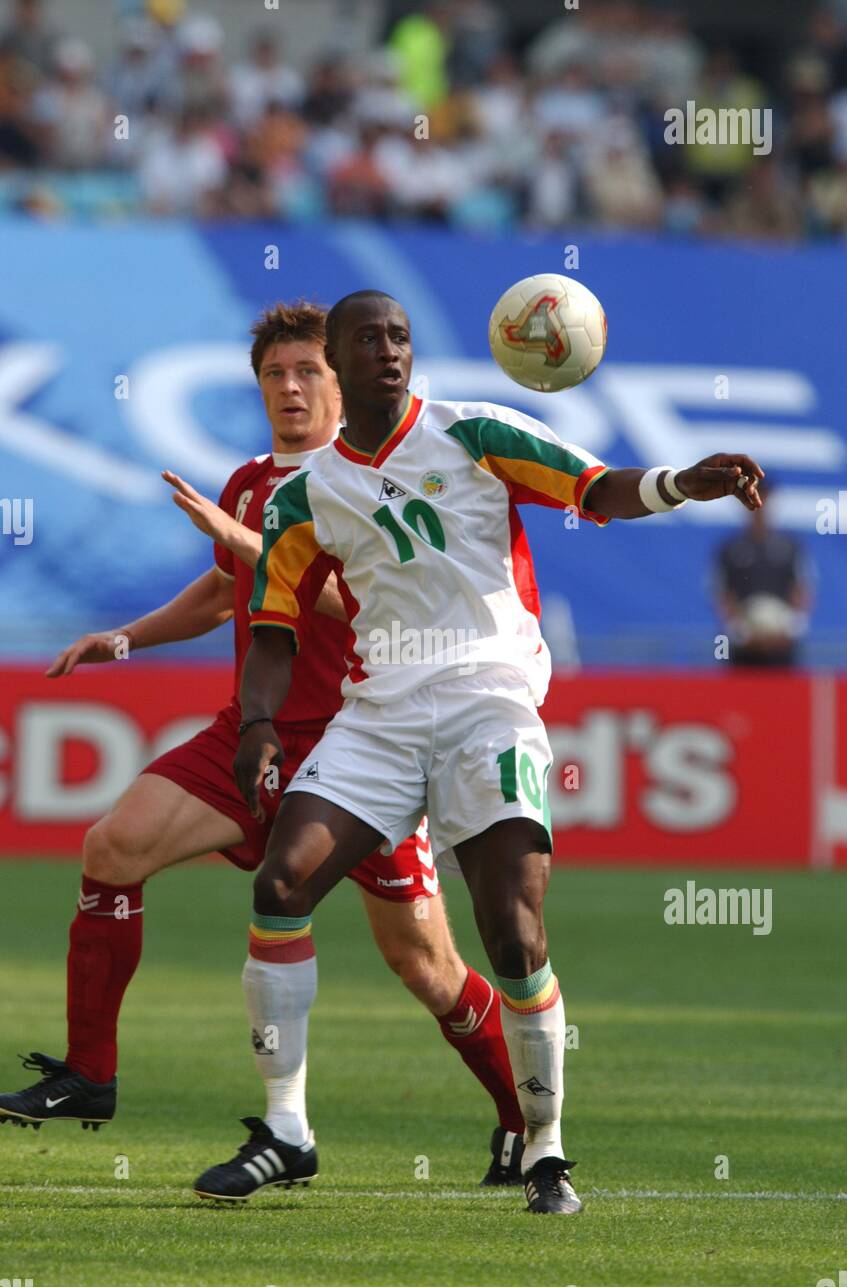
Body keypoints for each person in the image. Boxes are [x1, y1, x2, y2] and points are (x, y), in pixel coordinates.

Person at [235, 288, 764, 1215]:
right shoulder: (306, 495)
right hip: (379, 715)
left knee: (513, 936)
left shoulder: (475, 432)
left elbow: (593, 488)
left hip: (488, 701)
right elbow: (273, 626)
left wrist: (682, 482)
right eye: (369, 340)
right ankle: (286, 1131)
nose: (390, 352)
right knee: (280, 886)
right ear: (338, 362)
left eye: (399, 336)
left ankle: (546, 1149)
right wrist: (258, 725)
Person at [0, 302, 528, 1197]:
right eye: (274, 375)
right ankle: (93, 1075)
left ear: (342, 380)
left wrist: (246, 543)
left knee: (425, 966)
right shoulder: (250, 481)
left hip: (366, 743)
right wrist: (123, 638)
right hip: (254, 735)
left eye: (308, 373)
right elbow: (223, 591)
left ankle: (525, 1122)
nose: (290, 388)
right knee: (112, 846)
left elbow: (372, 611)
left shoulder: (371, 481)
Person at [713, 481, 811, 666]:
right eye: (752, 499)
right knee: (741, 694)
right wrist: (740, 632)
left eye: (764, 498)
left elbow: (802, 589)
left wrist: (791, 629)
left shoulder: (790, 547)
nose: (759, 507)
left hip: (781, 643)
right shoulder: (730, 550)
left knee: (783, 694)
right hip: (744, 646)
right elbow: (722, 594)